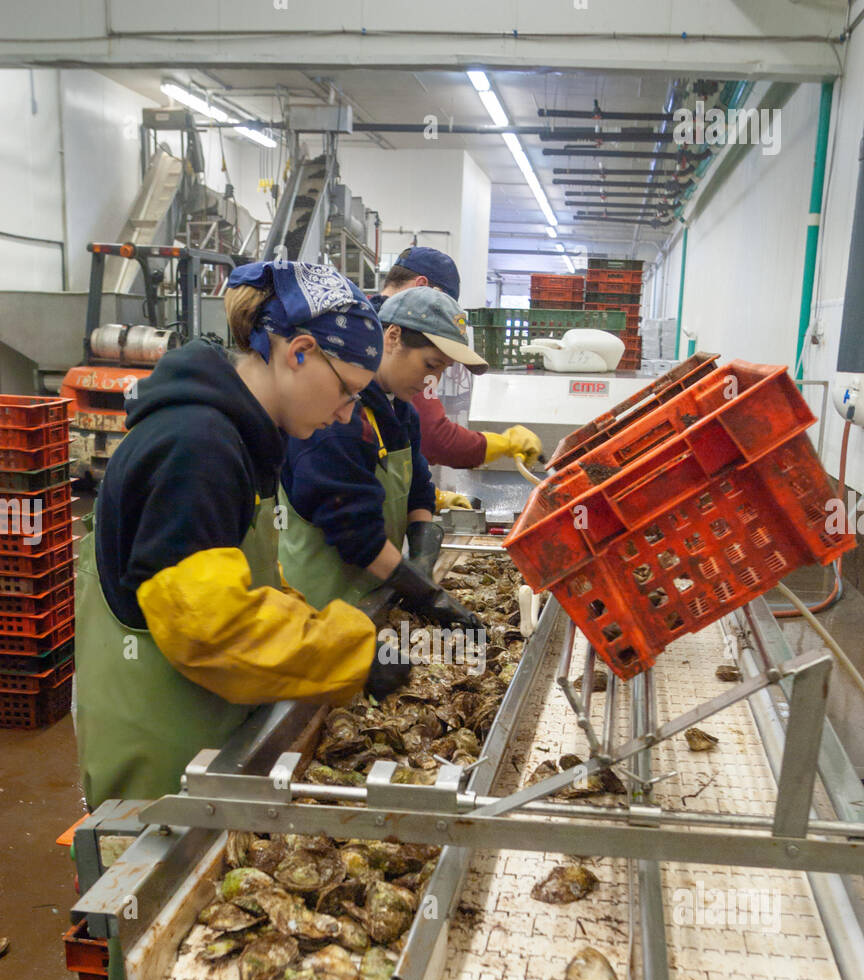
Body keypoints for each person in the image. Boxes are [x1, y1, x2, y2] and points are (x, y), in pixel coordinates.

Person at [75, 259, 410, 813]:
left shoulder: (237, 435)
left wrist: (324, 631)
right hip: (160, 773)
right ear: (298, 352)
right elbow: (212, 629)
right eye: (349, 392)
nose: (350, 416)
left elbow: (252, 581)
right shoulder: (197, 445)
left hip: (203, 740)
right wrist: (353, 652)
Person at [278, 286, 489, 615]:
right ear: (392, 337)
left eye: (443, 369)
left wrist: (423, 556)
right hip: (316, 610)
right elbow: (353, 531)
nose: (432, 379)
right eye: (430, 364)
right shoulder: (334, 419)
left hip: (370, 600)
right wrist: (427, 595)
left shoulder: (402, 413)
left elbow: (418, 489)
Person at [371, 246, 542, 479]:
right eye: (432, 365)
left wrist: (428, 500)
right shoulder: (402, 352)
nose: (433, 377)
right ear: (422, 288)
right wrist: (502, 444)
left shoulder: (367, 323)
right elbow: (433, 437)